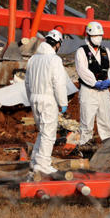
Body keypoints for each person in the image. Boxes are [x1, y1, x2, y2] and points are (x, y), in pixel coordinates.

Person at [25, 30, 69, 176]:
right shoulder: (54, 60)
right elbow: (59, 83)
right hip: (48, 99)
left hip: (34, 98)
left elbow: (27, 83)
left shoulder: (33, 59)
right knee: (49, 133)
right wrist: (63, 102)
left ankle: (35, 161)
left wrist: (30, 98)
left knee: (42, 132)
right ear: (57, 44)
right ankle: (43, 164)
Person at [75, 21, 110, 150]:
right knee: (87, 120)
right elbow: (82, 70)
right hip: (89, 90)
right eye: (95, 35)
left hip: (104, 91)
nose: (98, 38)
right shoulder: (82, 51)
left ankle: (107, 146)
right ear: (89, 36)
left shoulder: (105, 51)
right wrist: (94, 83)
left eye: (100, 35)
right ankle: (85, 146)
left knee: (106, 118)